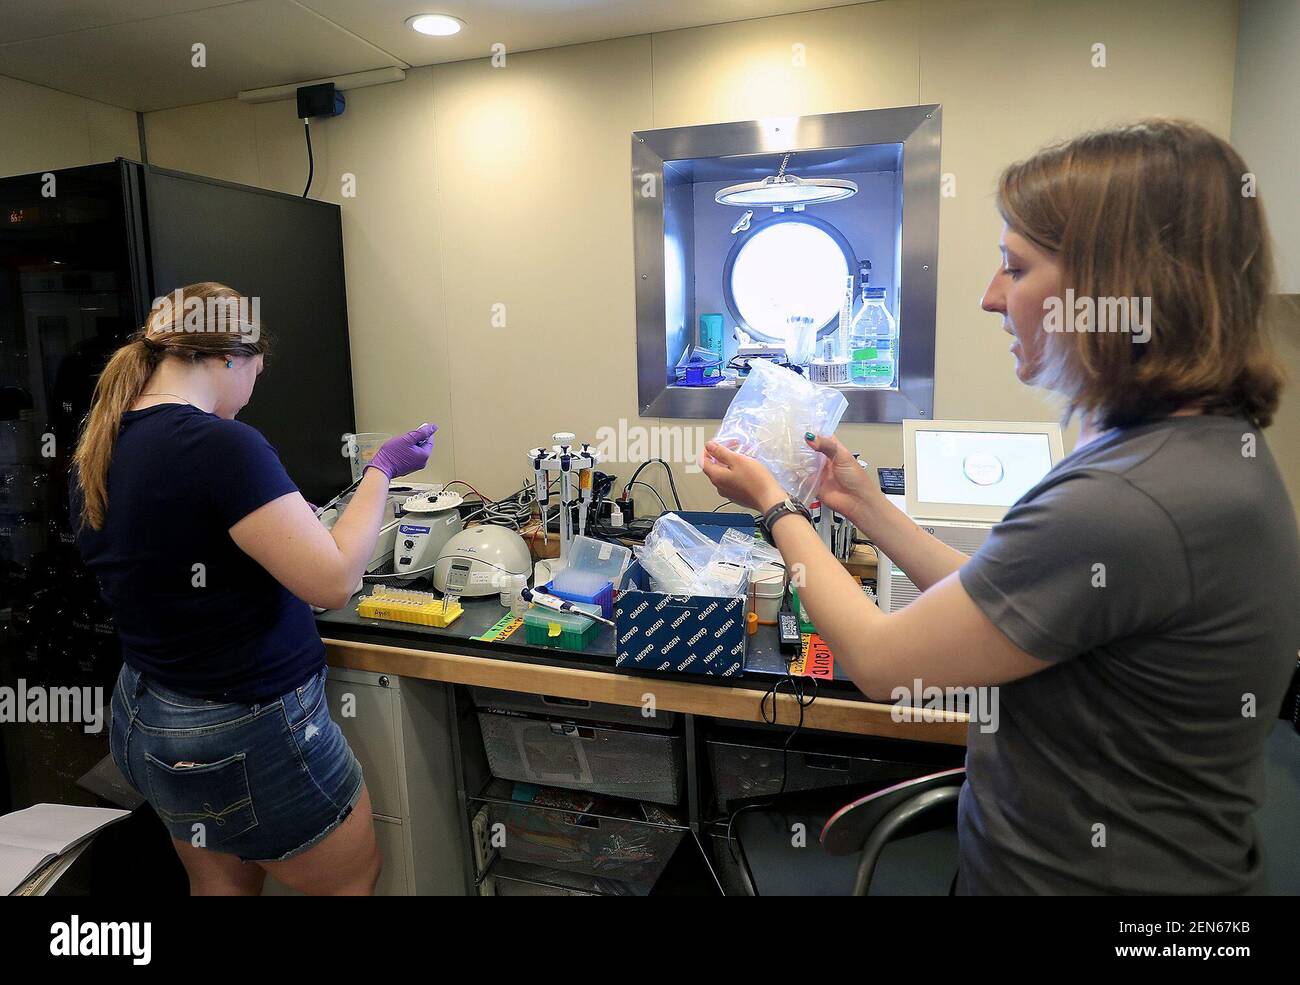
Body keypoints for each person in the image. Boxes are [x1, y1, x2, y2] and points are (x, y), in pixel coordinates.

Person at [701, 120, 1299, 895]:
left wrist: (775, 509)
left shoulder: (1124, 499)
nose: (990, 298)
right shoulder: (1201, 455)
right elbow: (998, 594)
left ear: (1114, 289)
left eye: (1014, 268)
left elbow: (883, 664)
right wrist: (861, 502)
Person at [72, 282, 437, 895]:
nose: (250, 394)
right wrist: (382, 470)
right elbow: (334, 583)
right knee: (349, 884)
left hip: (148, 714)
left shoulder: (106, 437)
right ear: (227, 357)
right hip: (240, 731)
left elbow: (181, 545)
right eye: (256, 374)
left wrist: (288, 522)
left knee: (222, 889)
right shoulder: (221, 444)